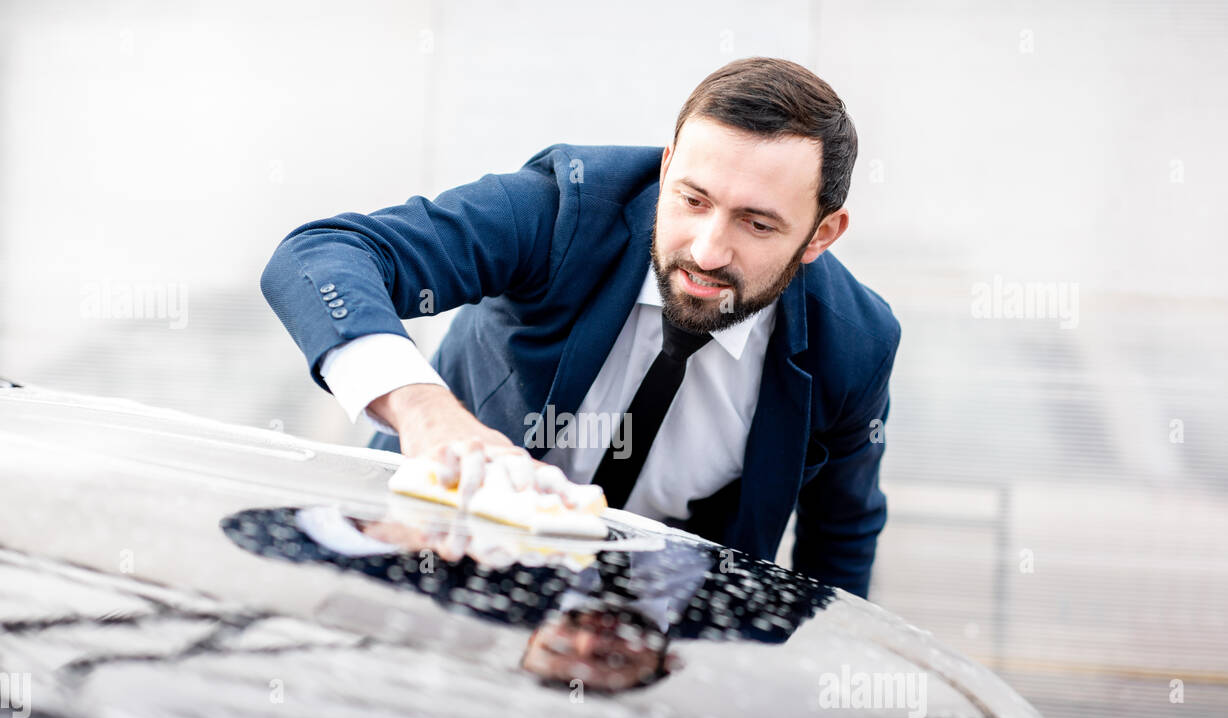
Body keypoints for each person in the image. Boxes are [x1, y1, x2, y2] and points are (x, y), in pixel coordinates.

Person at [261, 56, 900, 599]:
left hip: (652, 649)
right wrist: (428, 415)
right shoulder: (567, 206)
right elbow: (321, 256)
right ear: (667, 163)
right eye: (692, 199)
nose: (707, 251)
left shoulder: (855, 343)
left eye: (756, 224)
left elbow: (839, 540)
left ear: (821, 234)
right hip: (426, 574)